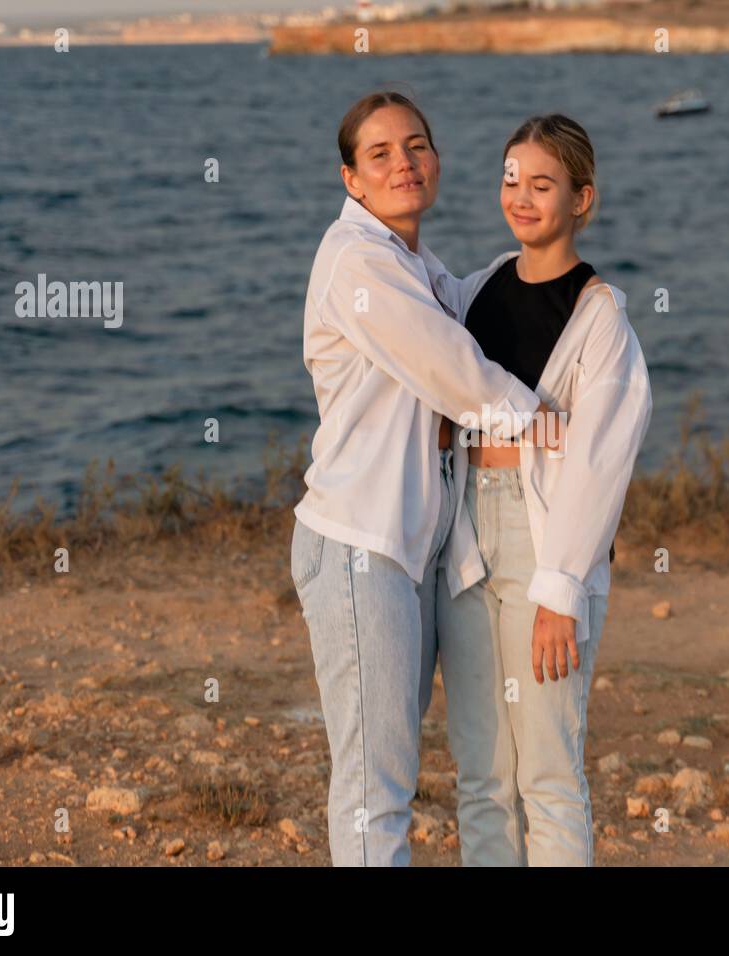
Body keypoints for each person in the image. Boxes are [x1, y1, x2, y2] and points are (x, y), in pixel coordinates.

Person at [290, 91, 557, 866]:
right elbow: (449, 363)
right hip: (359, 548)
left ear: (437, 161)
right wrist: (537, 419)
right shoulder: (357, 262)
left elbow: (465, 305)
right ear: (352, 179)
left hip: (412, 553)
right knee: (377, 789)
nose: (403, 163)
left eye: (416, 145)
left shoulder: (416, 265)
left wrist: (547, 263)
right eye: (380, 154)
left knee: (397, 774)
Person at [436, 114, 652, 866]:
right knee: (481, 772)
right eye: (509, 180)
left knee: (550, 773)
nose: (520, 198)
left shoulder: (600, 320)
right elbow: (436, 365)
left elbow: (601, 462)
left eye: (541, 184)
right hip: (466, 539)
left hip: (546, 544)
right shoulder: (479, 289)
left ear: (581, 198)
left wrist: (561, 591)